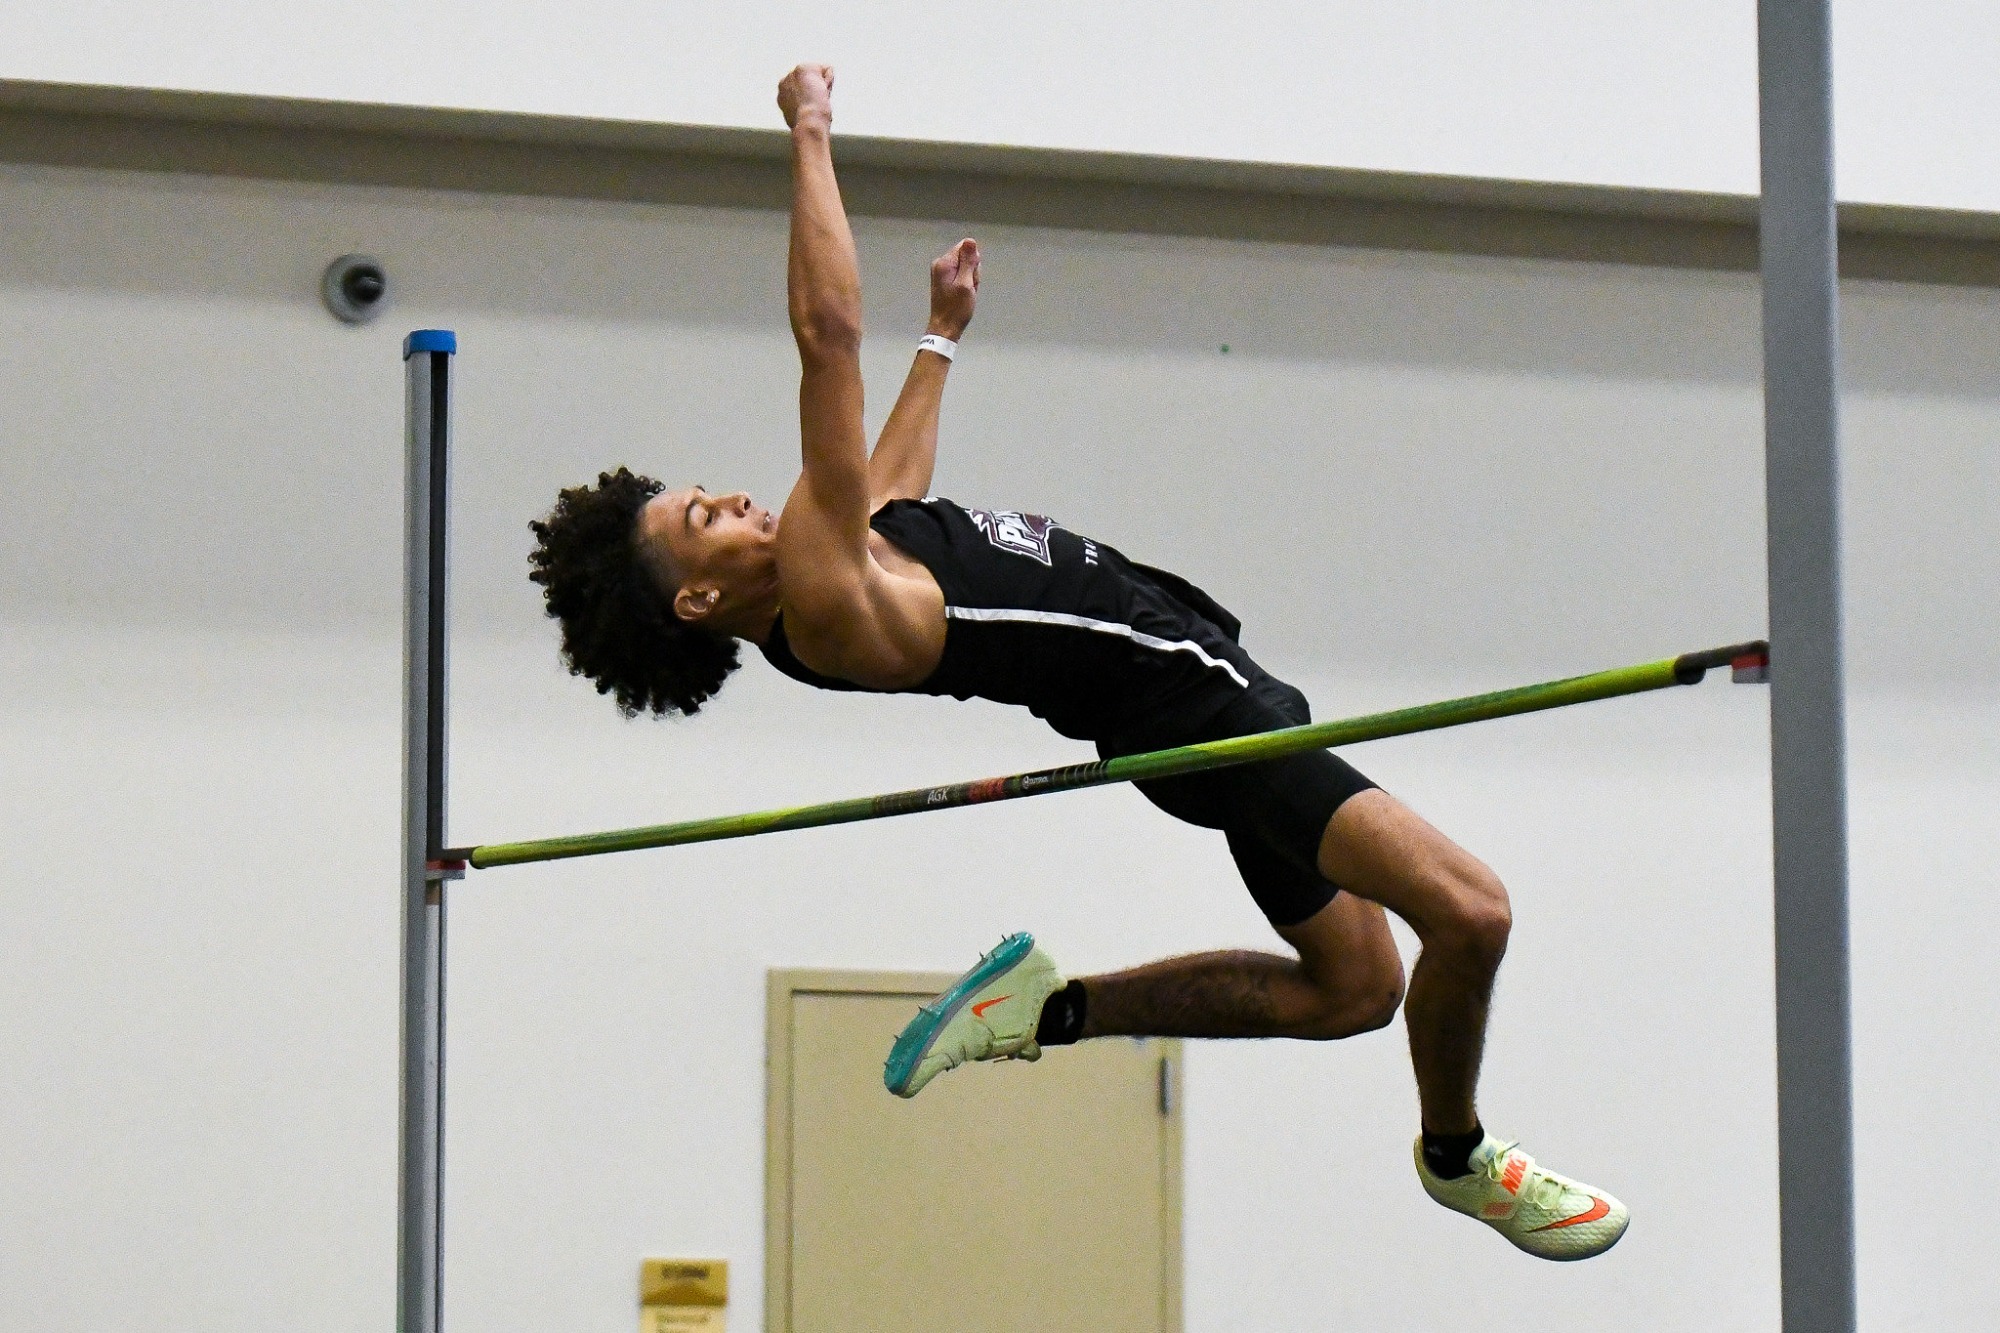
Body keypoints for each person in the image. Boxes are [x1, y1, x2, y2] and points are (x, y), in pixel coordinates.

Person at [528, 63, 1627, 1261]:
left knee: (1354, 991)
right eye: (706, 518)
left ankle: (1045, 1010)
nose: (736, 498)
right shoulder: (829, 607)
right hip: (1199, 716)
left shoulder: (830, 561)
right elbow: (823, 334)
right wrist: (808, 131)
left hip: (1196, 687)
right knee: (1469, 912)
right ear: (697, 597)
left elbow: (893, 481)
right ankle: (1457, 1156)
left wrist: (941, 340)